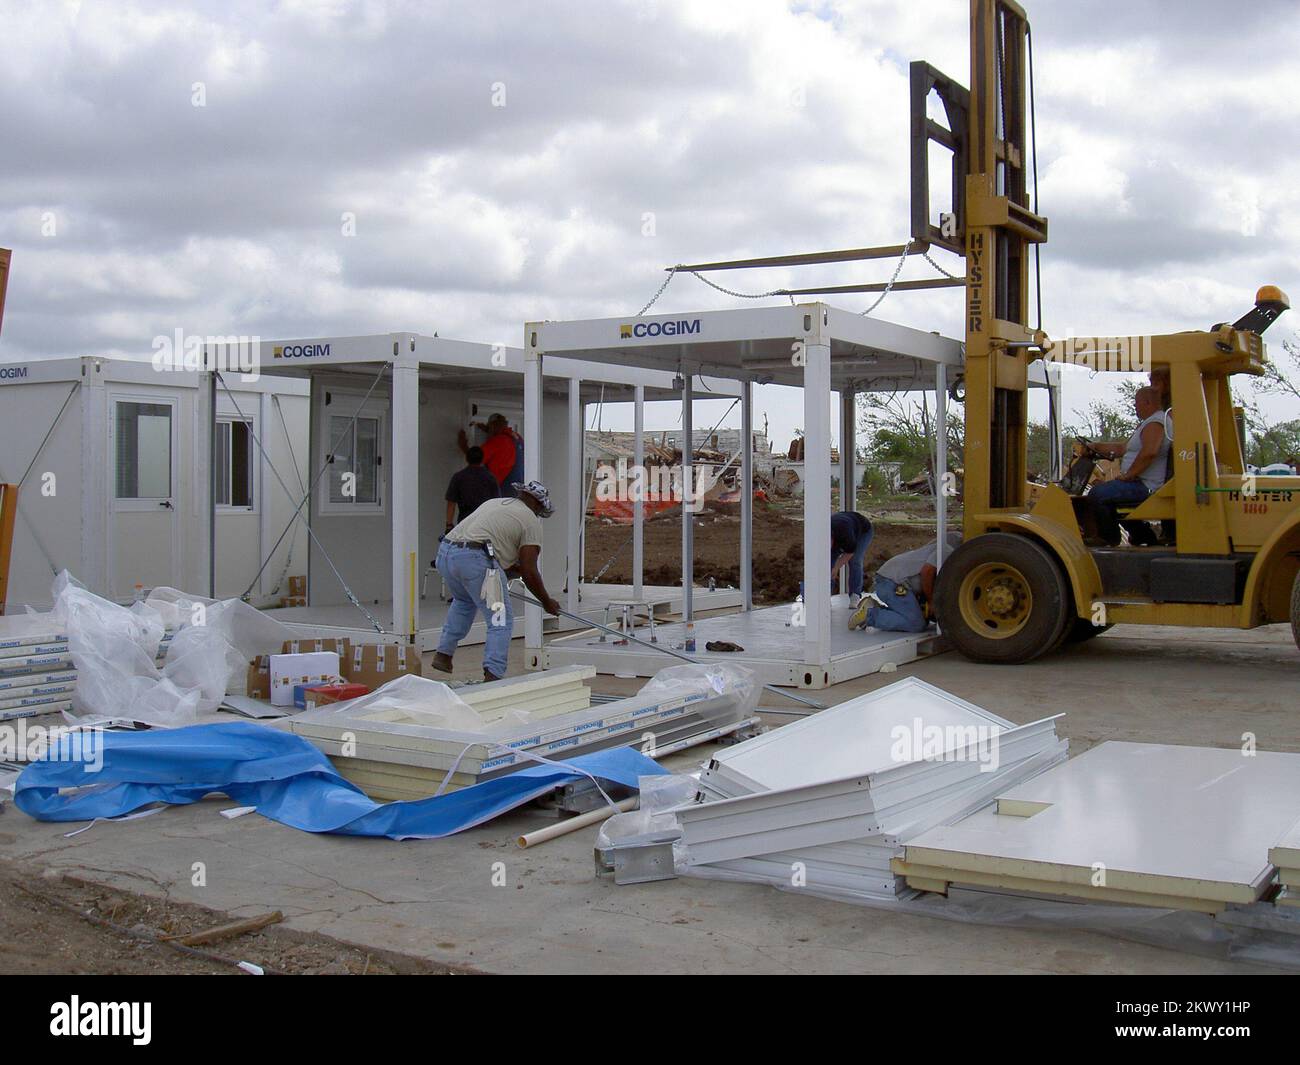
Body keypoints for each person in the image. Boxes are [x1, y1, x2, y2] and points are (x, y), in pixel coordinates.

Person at [433, 480, 561, 681]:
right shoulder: (530, 521)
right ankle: (493, 674)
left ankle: (443, 654)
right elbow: (529, 571)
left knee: (463, 602)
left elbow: (495, 551)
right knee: (500, 619)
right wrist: (546, 602)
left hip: (446, 554)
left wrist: (509, 571)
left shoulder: (494, 503)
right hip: (476, 560)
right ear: (538, 505)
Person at [1086, 386, 1171, 547]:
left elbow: (1150, 452)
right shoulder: (1149, 423)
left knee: (1098, 494)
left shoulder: (1155, 423)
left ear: (1147, 403)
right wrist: (1096, 446)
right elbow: (1122, 449)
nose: (1134, 406)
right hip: (1140, 482)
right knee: (1108, 494)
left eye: (1136, 403)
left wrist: (1129, 475)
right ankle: (1143, 536)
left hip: (1145, 485)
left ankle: (1108, 538)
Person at [848, 532, 962, 633]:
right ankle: (869, 615)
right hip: (891, 582)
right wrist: (932, 601)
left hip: (892, 580)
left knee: (920, 618)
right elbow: (927, 571)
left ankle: (873, 607)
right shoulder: (946, 551)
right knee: (916, 624)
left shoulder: (941, 548)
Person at [444, 445, 499, 533]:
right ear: (482, 459)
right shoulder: (490, 478)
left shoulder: (458, 477)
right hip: (485, 524)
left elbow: (451, 504)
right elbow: (496, 503)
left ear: (467, 458)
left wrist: (449, 525)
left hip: (464, 522)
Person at [458, 414, 517, 492]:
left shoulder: (497, 441)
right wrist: (488, 430)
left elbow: (475, 457)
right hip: (514, 487)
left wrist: (463, 445)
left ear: (493, 426)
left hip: (497, 488)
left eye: (490, 427)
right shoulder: (516, 438)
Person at [830, 511, 874, 599]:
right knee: (829, 563)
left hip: (863, 531)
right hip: (845, 525)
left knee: (855, 561)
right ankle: (825, 596)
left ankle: (855, 595)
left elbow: (850, 553)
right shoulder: (822, 533)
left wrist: (836, 567)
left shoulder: (844, 533)